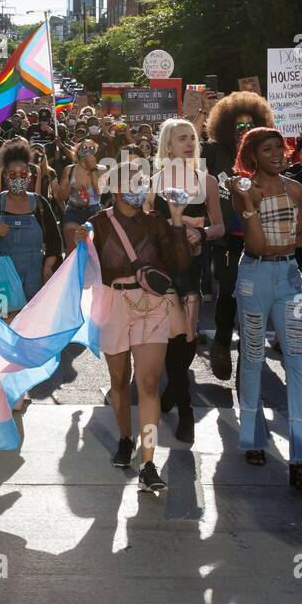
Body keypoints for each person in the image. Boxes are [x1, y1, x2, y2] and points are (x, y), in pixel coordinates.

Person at [226, 127, 302, 496]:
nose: (278, 154)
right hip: (253, 277)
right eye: (268, 149)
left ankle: (301, 458)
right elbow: (257, 243)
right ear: (253, 157)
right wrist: (251, 203)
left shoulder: (295, 189)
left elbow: (295, 237)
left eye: (280, 148)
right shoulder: (243, 188)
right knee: (252, 355)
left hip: (289, 278)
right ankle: (252, 438)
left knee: (298, 360)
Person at [91, 160, 190, 493]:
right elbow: (81, 270)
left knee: (148, 384)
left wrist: (176, 218)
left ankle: (148, 462)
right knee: (119, 381)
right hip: (113, 305)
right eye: (133, 182)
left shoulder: (156, 222)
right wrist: (75, 242)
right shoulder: (97, 225)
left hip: (152, 305)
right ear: (117, 189)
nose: (140, 188)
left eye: (144, 181)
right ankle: (124, 438)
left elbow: (180, 263)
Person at [151, 119, 224, 444]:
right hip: (163, 272)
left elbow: (220, 227)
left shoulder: (205, 181)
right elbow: (145, 232)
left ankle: (171, 393)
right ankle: (186, 412)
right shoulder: (154, 183)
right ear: (168, 145)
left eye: (192, 138)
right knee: (174, 341)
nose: (190, 143)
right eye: (182, 138)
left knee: (189, 339)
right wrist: (173, 224)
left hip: (193, 270)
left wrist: (202, 231)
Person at [199, 91, 276, 381]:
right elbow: (189, 151)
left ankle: (248, 352)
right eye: (238, 126)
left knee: (256, 297)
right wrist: (202, 113)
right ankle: (221, 341)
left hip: (257, 236)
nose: (243, 131)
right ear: (227, 126)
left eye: (248, 126)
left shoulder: (262, 153)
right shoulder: (214, 151)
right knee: (229, 289)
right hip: (227, 238)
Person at [0, 140, 63, 317]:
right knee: (5, 322)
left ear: (30, 176)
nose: (18, 178)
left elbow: (54, 238)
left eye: (23, 174)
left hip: (35, 275)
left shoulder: (39, 203)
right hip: (1, 277)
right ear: (5, 177)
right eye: (12, 175)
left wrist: (49, 265)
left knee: (32, 321)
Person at [57, 139, 104, 253]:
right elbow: (60, 197)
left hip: (94, 211)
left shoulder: (101, 169)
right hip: (73, 210)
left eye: (91, 148)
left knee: (94, 250)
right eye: (84, 148)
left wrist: (93, 167)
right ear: (78, 151)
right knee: (72, 250)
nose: (87, 151)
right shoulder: (70, 169)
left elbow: (99, 190)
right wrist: (69, 186)